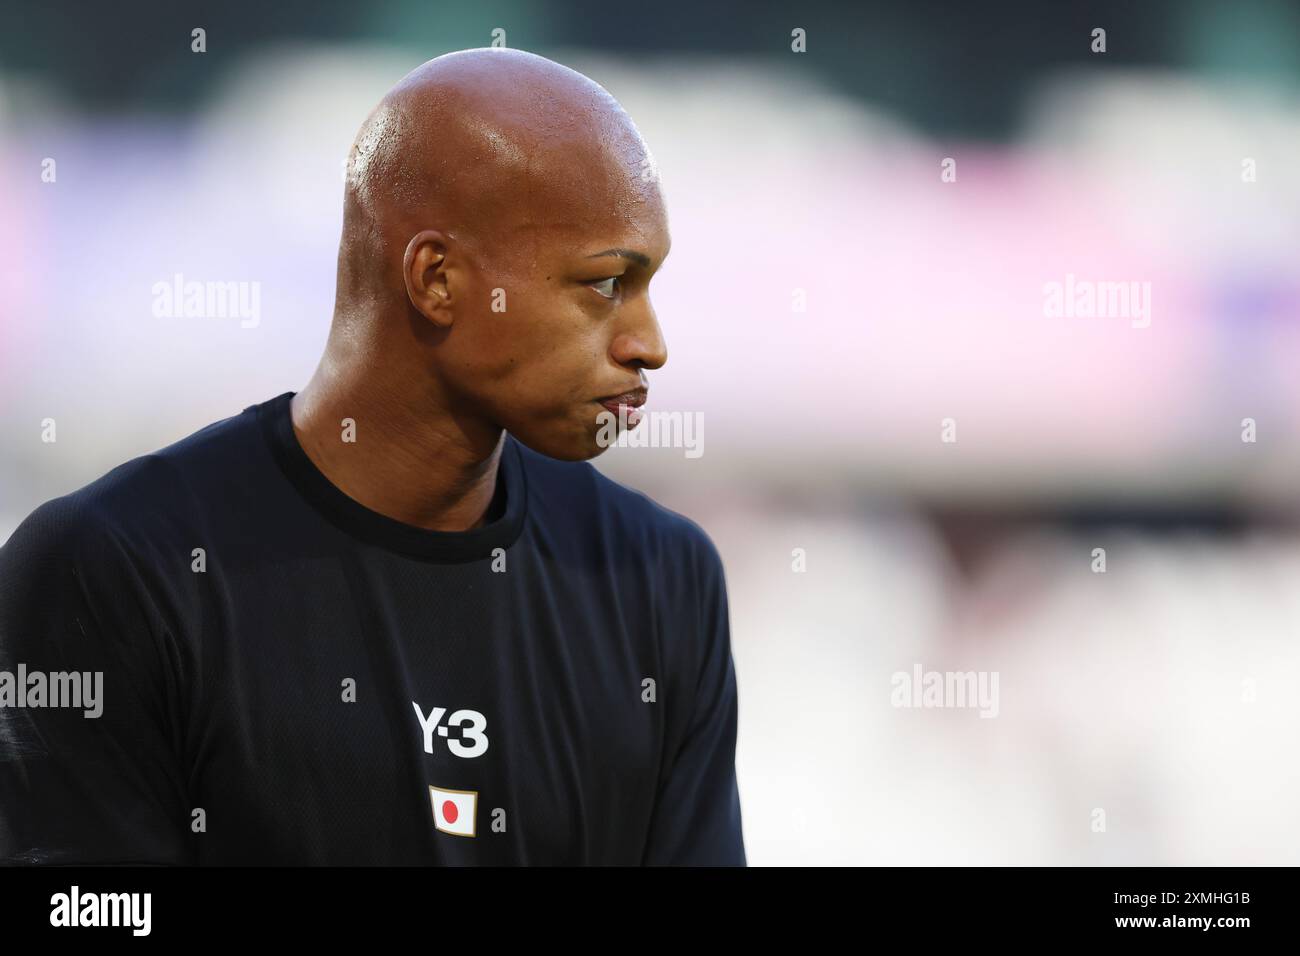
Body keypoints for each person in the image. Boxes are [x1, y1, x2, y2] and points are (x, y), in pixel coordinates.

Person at [0, 48, 745, 865]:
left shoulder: (662, 581)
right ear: (436, 279)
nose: (651, 345)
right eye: (606, 283)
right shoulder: (113, 572)